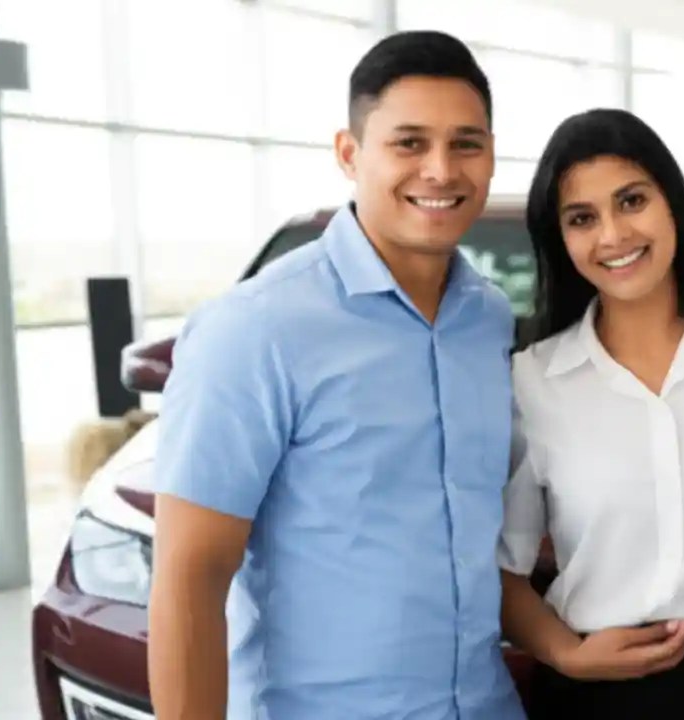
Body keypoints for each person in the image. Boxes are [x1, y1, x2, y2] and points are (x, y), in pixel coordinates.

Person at [148, 31, 525, 720]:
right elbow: (189, 577)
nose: (441, 170)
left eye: (466, 143)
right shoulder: (255, 328)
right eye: (409, 143)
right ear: (349, 155)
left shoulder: (489, 320)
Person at [498, 107, 684, 719]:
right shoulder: (533, 381)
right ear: (561, 239)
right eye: (582, 218)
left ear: (670, 205)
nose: (612, 235)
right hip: (594, 695)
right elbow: (503, 568)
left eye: (631, 201)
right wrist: (565, 654)